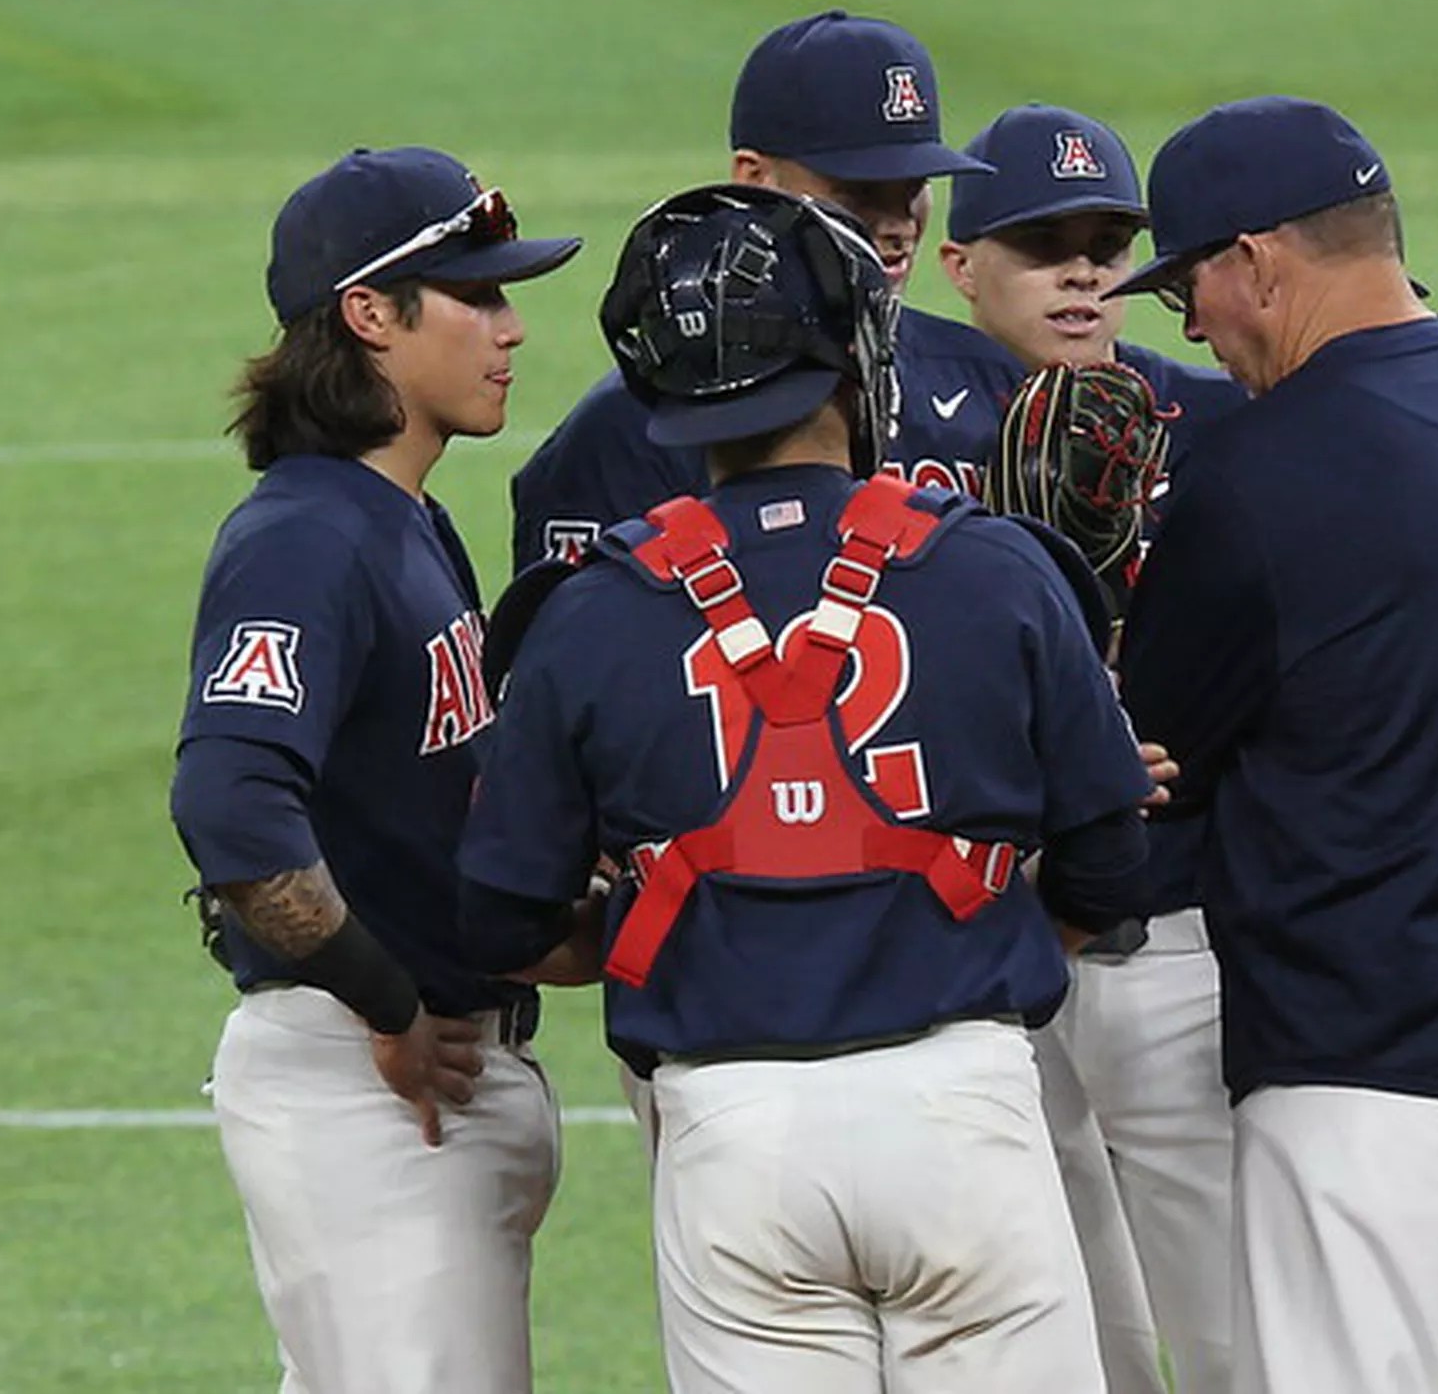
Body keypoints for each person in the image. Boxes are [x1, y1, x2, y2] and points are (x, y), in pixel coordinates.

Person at [457, 184, 1159, 1393]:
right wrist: (983, 924)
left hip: (734, 1136)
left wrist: (657, 930)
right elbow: (1108, 856)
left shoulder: (588, 613)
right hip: (963, 1107)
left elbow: (502, 922)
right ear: (858, 359)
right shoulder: (995, 568)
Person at [1112, 96, 1438, 1394]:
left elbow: (1147, 757)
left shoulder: (1255, 474)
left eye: (1188, 287)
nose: (1187, 326)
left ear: (1256, 260)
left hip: (1379, 1061)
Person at [167, 146, 582, 1394]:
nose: (511, 327)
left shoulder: (405, 521)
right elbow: (230, 807)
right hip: (365, 1083)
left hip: (424, 1079)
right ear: (370, 314)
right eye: (479, 295)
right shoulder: (303, 539)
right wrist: (390, 1006)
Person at [940, 102, 1247, 1394]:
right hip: (996, 955)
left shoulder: (1225, 426)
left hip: (1183, 939)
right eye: (1040, 243)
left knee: (1251, 1342)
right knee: (1071, 1356)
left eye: (1107, 243)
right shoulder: (905, 443)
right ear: (960, 265)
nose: (1081, 272)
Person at [511, 10, 1026, 574]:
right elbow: (576, 648)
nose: (898, 223)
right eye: (859, 193)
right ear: (755, 180)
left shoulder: (991, 383)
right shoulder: (629, 429)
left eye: (915, 189)